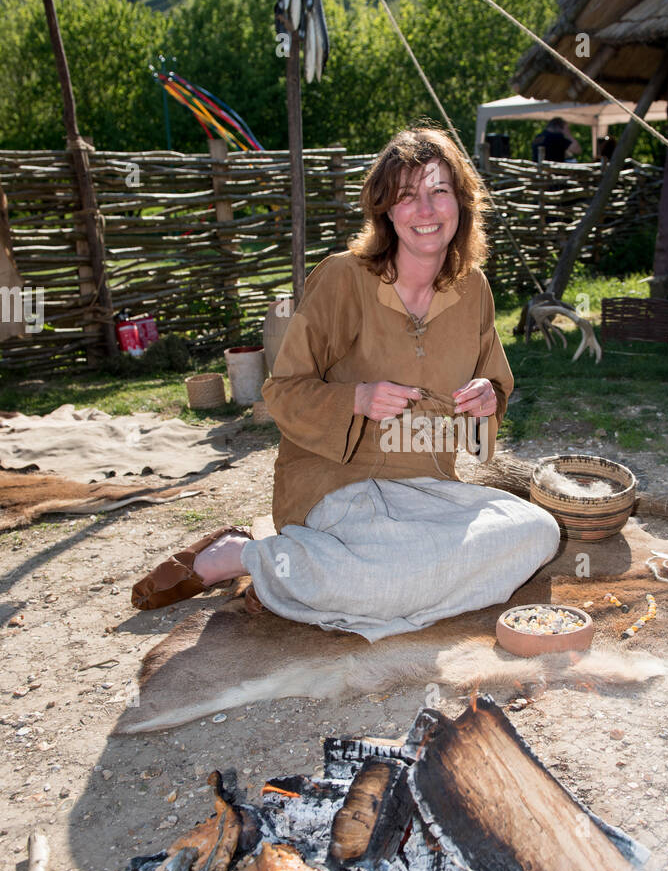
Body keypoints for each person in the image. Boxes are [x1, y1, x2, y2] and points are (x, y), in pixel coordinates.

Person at [131, 127, 560, 640]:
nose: (424, 210)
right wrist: (355, 398)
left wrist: (487, 402)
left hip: (427, 488)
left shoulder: (474, 291)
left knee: (538, 531)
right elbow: (281, 391)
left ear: (462, 204)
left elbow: (493, 390)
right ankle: (241, 556)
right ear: (385, 211)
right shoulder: (343, 278)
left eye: (438, 191)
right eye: (406, 196)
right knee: (389, 578)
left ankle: (302, 577)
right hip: (337, 486)